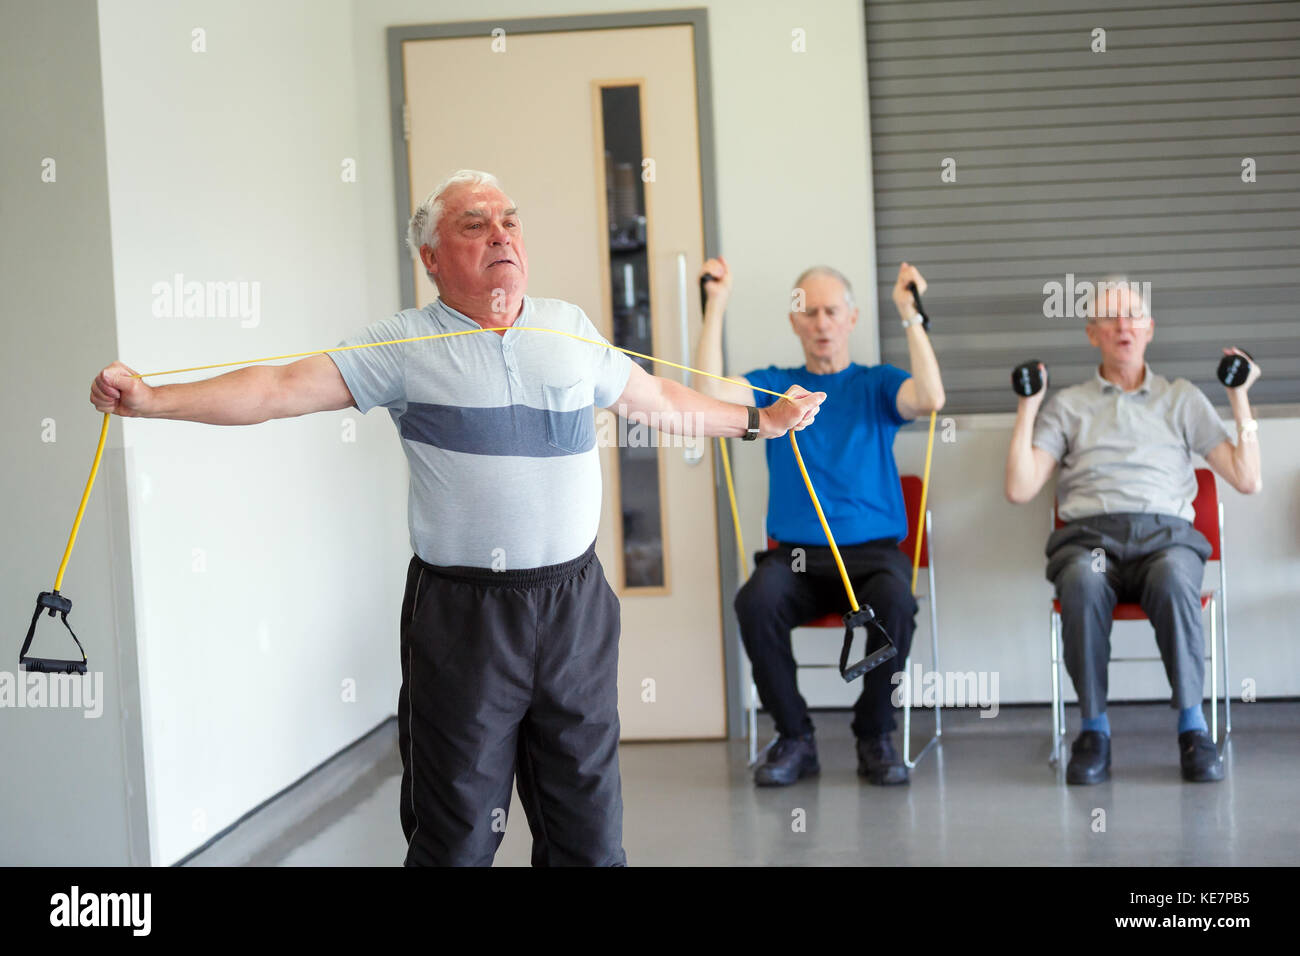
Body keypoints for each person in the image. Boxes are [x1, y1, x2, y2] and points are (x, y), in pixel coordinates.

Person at [89, 169, 825, 865]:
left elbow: (658, 401)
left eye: (509, 221)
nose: (502, 234)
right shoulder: (403, 344)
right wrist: (154, 400)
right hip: (462, 617)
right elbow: (280, 387)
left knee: (590, 835)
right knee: (456, 838)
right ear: (433, 258)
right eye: (476, 225)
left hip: (574, 607)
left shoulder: (568, 328)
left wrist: (762, 420)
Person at [694, 258, 945, 786]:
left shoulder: (877, 384)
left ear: (851, 319)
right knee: (754, 600)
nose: (821, 322)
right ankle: (795, 737)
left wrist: (909, 314)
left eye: (832, 311)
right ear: (794, 322)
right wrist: (714, 305)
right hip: (798, 558)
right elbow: (710, 396)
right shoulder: (775, 386)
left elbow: (931, 398)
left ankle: (875, 735)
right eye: (809, 312)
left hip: (873, 556)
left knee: (898, 602)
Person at [1005, 279, 1262, 784]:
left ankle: (1193, 730)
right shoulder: (1069, 405)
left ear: (1150, 329)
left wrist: (1239, 397)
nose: (1123, 325)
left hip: (1166, 540)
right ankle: (1094, 731)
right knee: (1080, 578)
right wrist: (1027, 406)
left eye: (1133, 315)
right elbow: (1019, 488)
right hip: (1090, 542)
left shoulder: (1181, 398)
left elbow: (1247, 479)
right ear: (1091, 333)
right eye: (1110, 317)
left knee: (1170, 576)